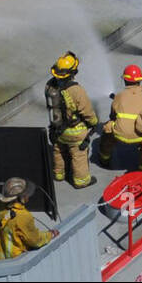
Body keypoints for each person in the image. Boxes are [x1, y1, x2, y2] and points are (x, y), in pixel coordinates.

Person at [45, 52, 98, 188]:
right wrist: (94, 123)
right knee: (78, 155)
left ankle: (59, 174)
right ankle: (81, 181)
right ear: (73, 72)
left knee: (58, 150)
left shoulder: (49, 86)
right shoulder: (76, 90)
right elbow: (86, 111)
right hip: (75, 132)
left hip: (57, 129)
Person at [98, 65, 142, 168]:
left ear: (125, 81)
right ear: (140, 81)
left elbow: (112, 116)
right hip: (140, 136)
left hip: (120, 135)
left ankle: (104, 160)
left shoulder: (119, 96)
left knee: (107, 130)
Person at [0, 178, 57, 260]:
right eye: (25, 194)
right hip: (16, 261)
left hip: (0, 258)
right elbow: (35, 241)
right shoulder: (23, 216)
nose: (28, 196)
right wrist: (49, 235)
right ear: (18, 198)